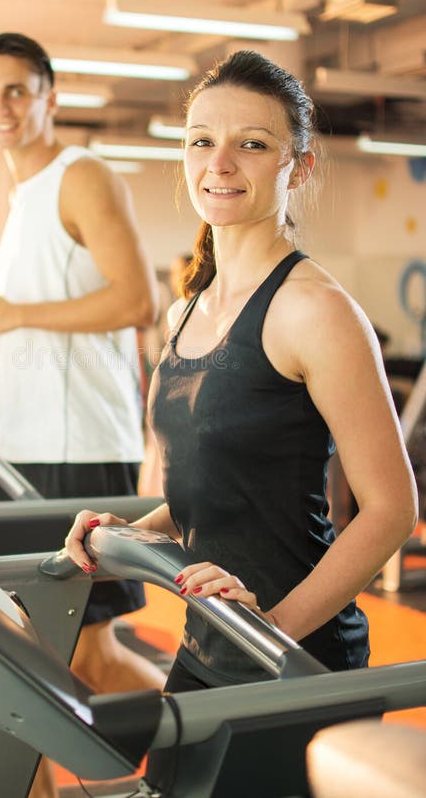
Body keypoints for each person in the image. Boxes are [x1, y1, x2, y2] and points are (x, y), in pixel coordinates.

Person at [64, 50, 418, 792]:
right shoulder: (185, 308)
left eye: (252, 143)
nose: (219, 162)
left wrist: (275, 628)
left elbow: (391, 510)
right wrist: (133, 533)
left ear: (301, 167)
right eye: (201, 139)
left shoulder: (315, 311)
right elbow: (216, 488)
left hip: (294, 654)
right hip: (208, 644)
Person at [0, 33, 164, 795]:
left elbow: (136, 299)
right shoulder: (21, 199)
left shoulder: (81, 177)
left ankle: (209, 747)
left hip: (79, 453)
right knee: (50, 656)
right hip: (29, 448)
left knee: (73, 659)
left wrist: (14, 315)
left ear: (51, 95)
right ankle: (202, 747)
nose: (1, 107)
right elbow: (43, 317)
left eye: (17, 90)